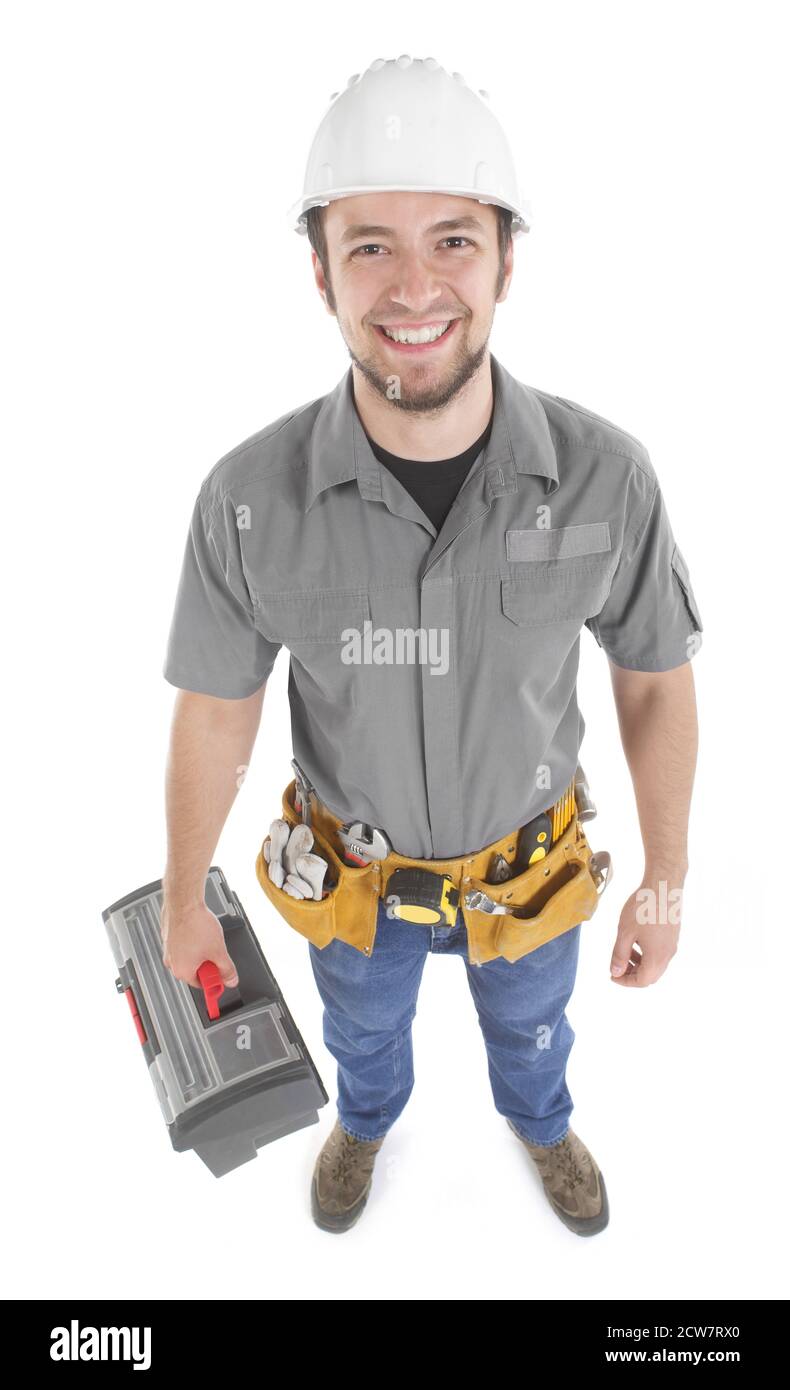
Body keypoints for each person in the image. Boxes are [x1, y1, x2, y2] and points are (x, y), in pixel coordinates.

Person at [160, 56, 702, 1237]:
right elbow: (215, 704)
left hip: (533, 878)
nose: (413, 286)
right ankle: (365, 1118)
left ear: (508, 257)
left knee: (532, 1025)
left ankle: (542, 1122)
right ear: (320, 273)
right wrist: (186, 895)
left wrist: (662, 880)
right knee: (360, 1028)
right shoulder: (248, 500)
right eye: (369, 246)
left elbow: (655, 677)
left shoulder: (608, 478)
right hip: (358, 889)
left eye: (453, 239)